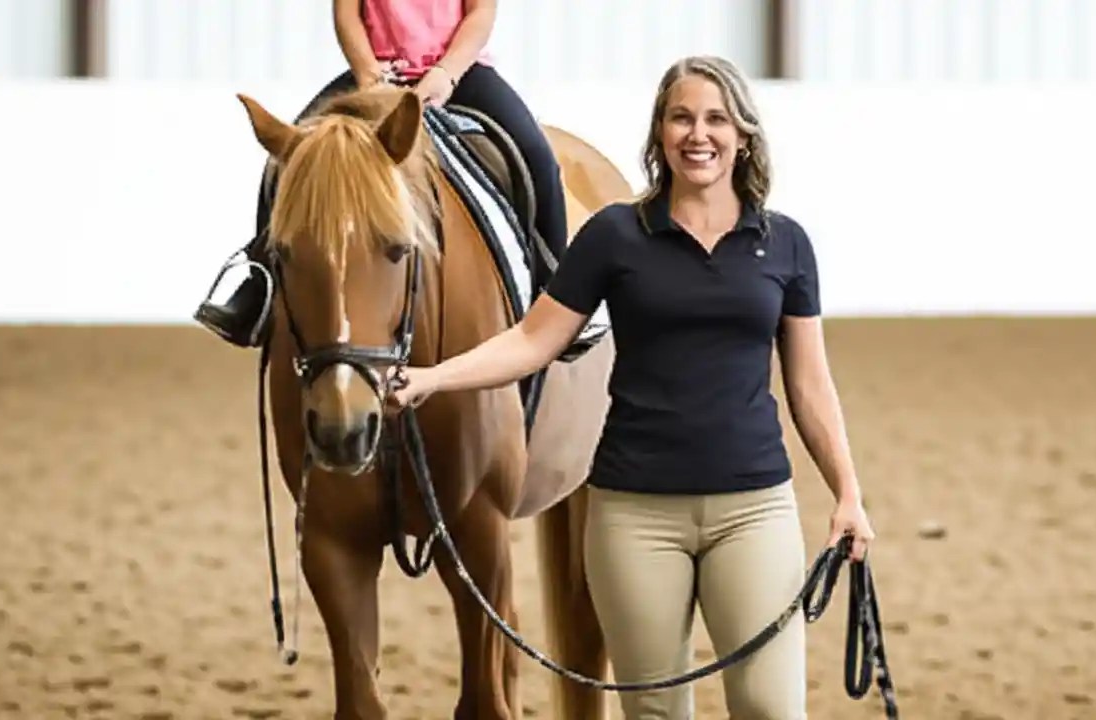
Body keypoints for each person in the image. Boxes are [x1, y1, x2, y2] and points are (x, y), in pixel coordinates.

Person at [387, 55, 876, 719]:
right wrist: (431, 378)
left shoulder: (785, 244)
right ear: (659, 134)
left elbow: (810, 383)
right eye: (680, 118)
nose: (696, 134)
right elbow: (535, 340)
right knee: (653, 712)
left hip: (755, 507)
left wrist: (847, 491)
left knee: (770, 707)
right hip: (634, 513)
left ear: (743, 135)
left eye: (714, 119)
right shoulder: (616, 235)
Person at [197, 0, 568, 343]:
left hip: (456, 71)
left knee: (538, 157)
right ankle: (258, 286)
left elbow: (480, 13)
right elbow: (347, 15)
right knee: (287, 160)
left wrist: (445, 73)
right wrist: (368, 73)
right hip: (379, 73)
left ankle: (556, 287)